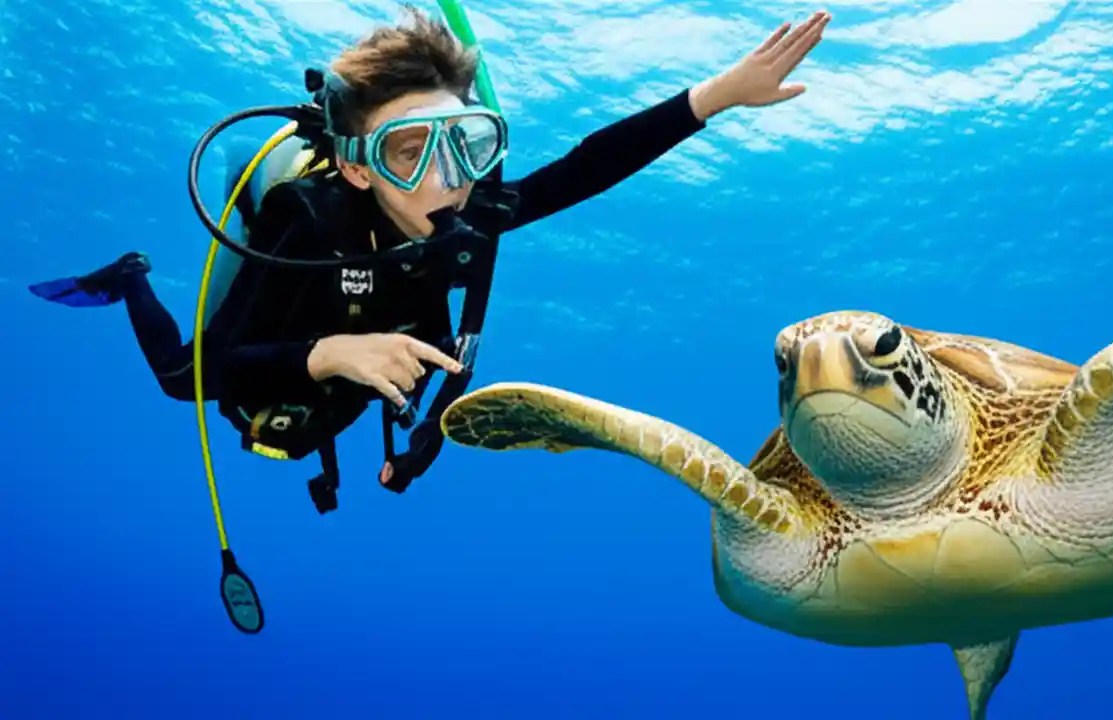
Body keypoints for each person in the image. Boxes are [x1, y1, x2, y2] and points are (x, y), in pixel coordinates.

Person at [30, 6, 831, 510]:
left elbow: (585, 168)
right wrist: (329, 352)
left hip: (346, 392)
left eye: (465, 143)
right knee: (171, 368)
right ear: (355, 165)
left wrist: (717, 95)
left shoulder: (469, 211)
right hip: (267, 362)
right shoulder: (307, 223)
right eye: (409, 150)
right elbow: (197, 377)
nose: (446, 177)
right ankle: (131, 277)